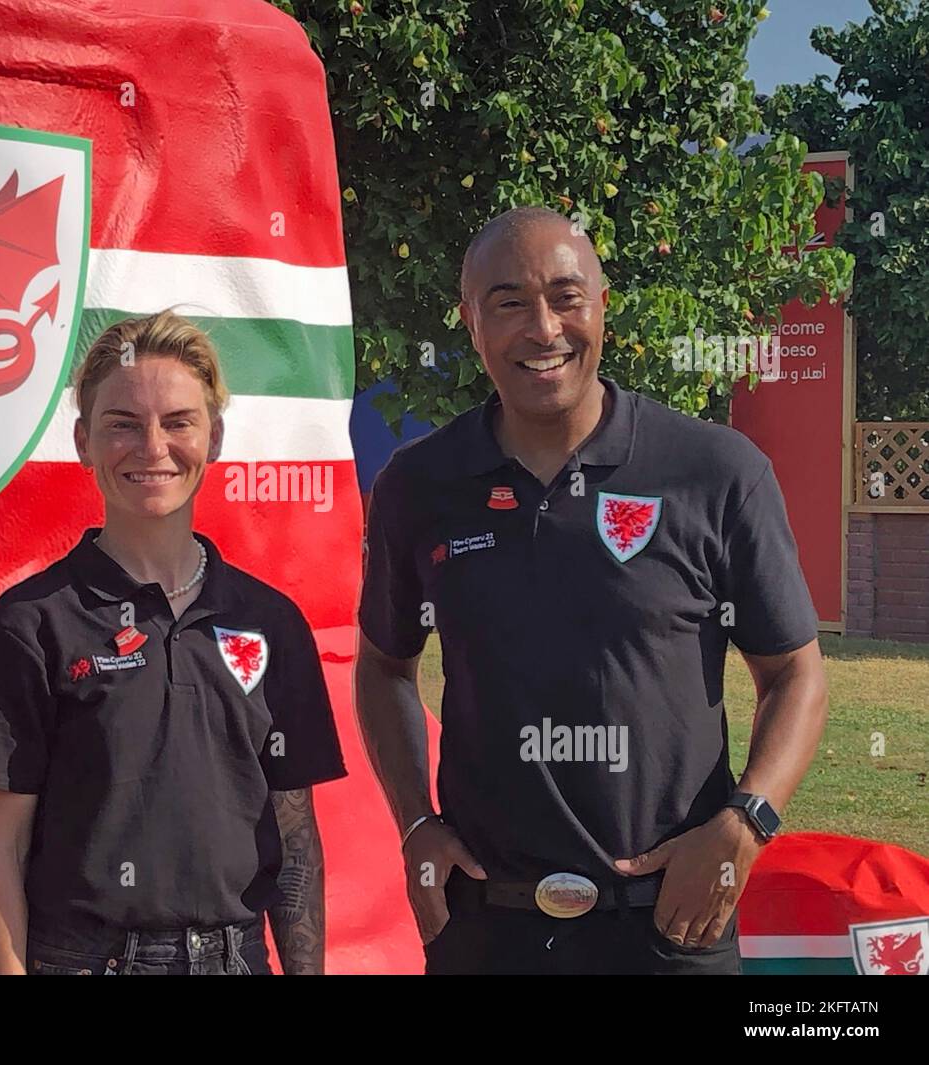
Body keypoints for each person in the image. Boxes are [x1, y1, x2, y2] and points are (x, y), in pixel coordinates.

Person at [355, 206, 829, 975]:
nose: (542, 329)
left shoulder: (715, 471)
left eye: (566, 297)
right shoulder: (419, 485)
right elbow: (381, 666)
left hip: (671, 929)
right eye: (508, 302)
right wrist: (414, 824)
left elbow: (796, 673)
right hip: (489, 927)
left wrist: (745, 821)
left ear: (603, 306)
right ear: (471, 321)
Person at [0, 310, 347, 975]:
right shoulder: (29, 625)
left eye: (178, 421)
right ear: (83, 441)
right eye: (123, 424)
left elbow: (294, 838)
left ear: (214, 436)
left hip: (236, 958)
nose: (152, 447)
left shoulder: (270, 621)